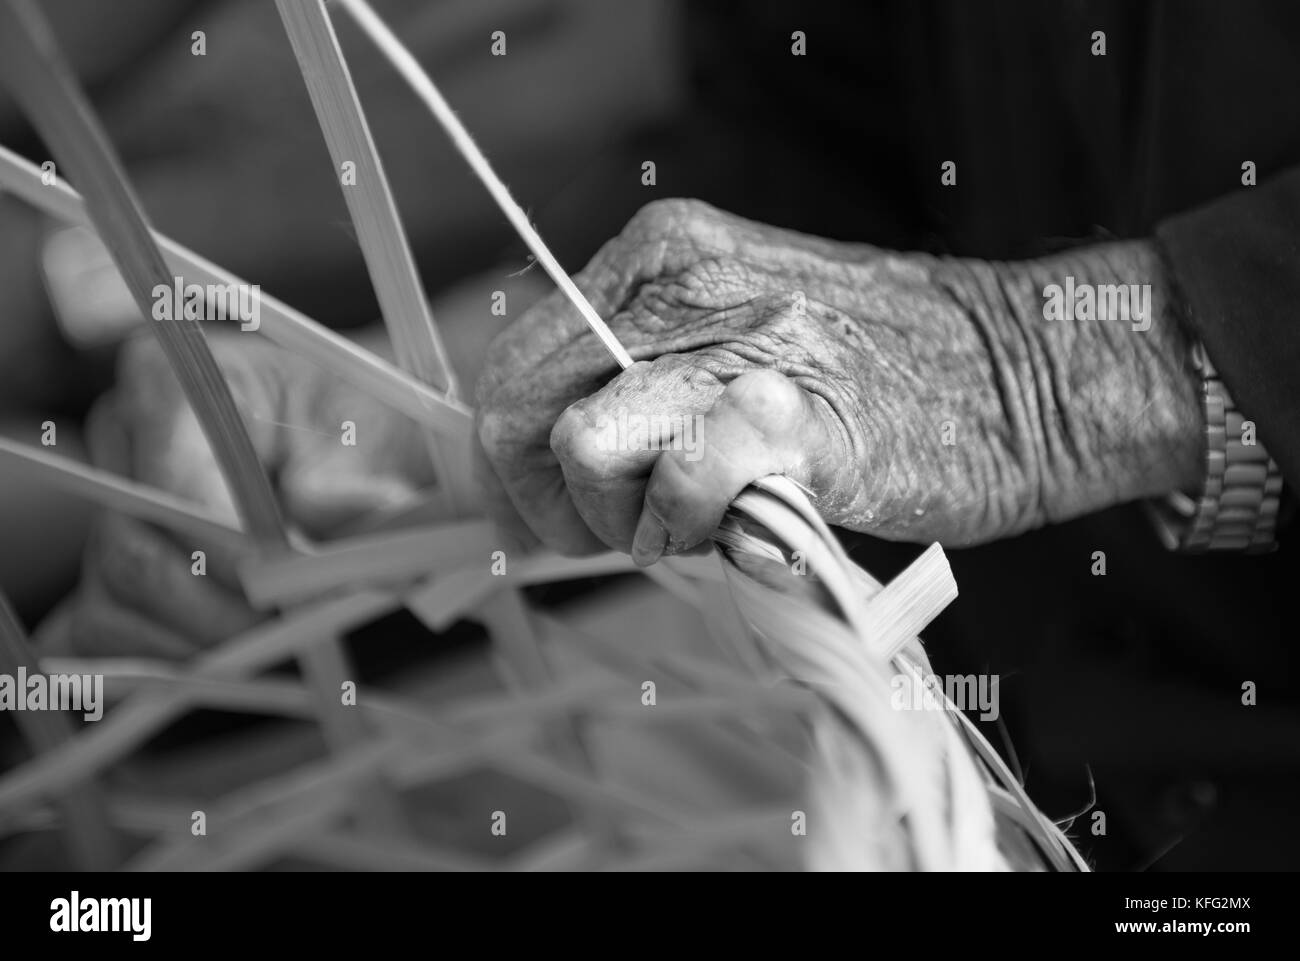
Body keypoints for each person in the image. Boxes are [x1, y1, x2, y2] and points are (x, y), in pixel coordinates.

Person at [15, 0, 1300, 868]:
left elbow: (965, 350)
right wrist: (398, 419)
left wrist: (1048, 368)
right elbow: (810, 152)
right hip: (930, 701)